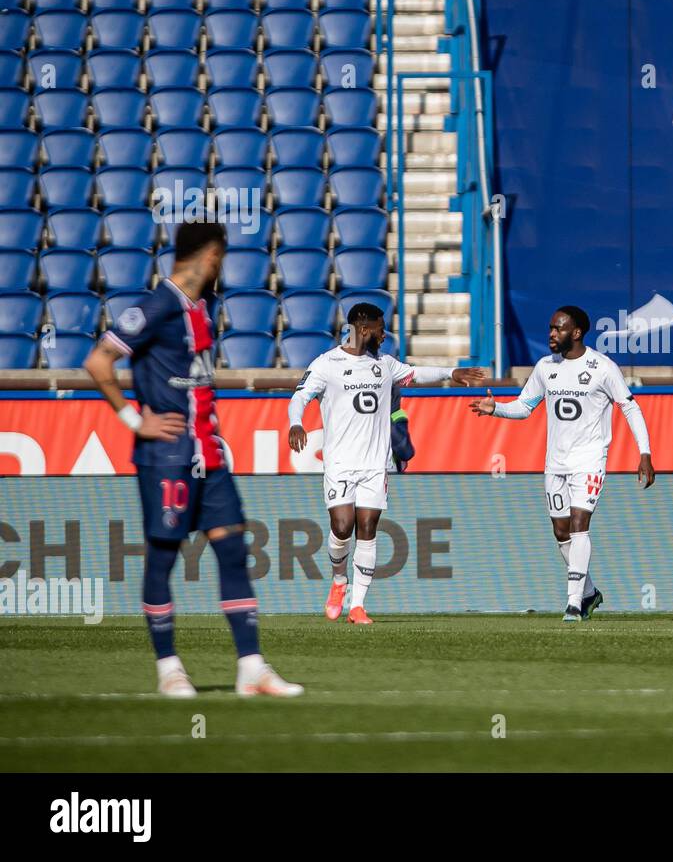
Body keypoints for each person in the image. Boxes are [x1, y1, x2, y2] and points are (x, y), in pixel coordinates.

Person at [83, 220, 301, 698]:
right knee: (163, 557)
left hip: (210, 454)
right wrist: (135, 420)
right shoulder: (156, 306)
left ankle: (252, 668)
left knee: (232, 550)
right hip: (167, 457)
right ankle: (170, 671)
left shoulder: (201, 308)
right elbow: (99, 361)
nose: (222, 266)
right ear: (209, 256)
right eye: (220, 257)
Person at [288, 303, 484, 623]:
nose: (384, 335)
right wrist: (296, 422)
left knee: (367, 529)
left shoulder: (385, 365)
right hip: (339, 464)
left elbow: (417, 374)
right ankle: (339, 581)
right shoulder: (326, 364)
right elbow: (300, 396)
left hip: (375, 465)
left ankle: (358, 605)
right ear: (364, 329)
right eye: (380, 328)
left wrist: (452, 373)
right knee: (341, 527)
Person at [468, 306, 654, 621]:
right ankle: (590, 593)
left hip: (589, 459)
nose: (552, 334)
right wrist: (495, 408)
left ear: (577, 332)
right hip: (555, 462)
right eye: (551, 328)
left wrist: (645, 453)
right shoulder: (545, 367)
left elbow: (630, 408)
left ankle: (573, 604)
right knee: (561, 531)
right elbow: (525, 407)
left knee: (580, 525)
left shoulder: (602, 367)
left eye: (559, 328)